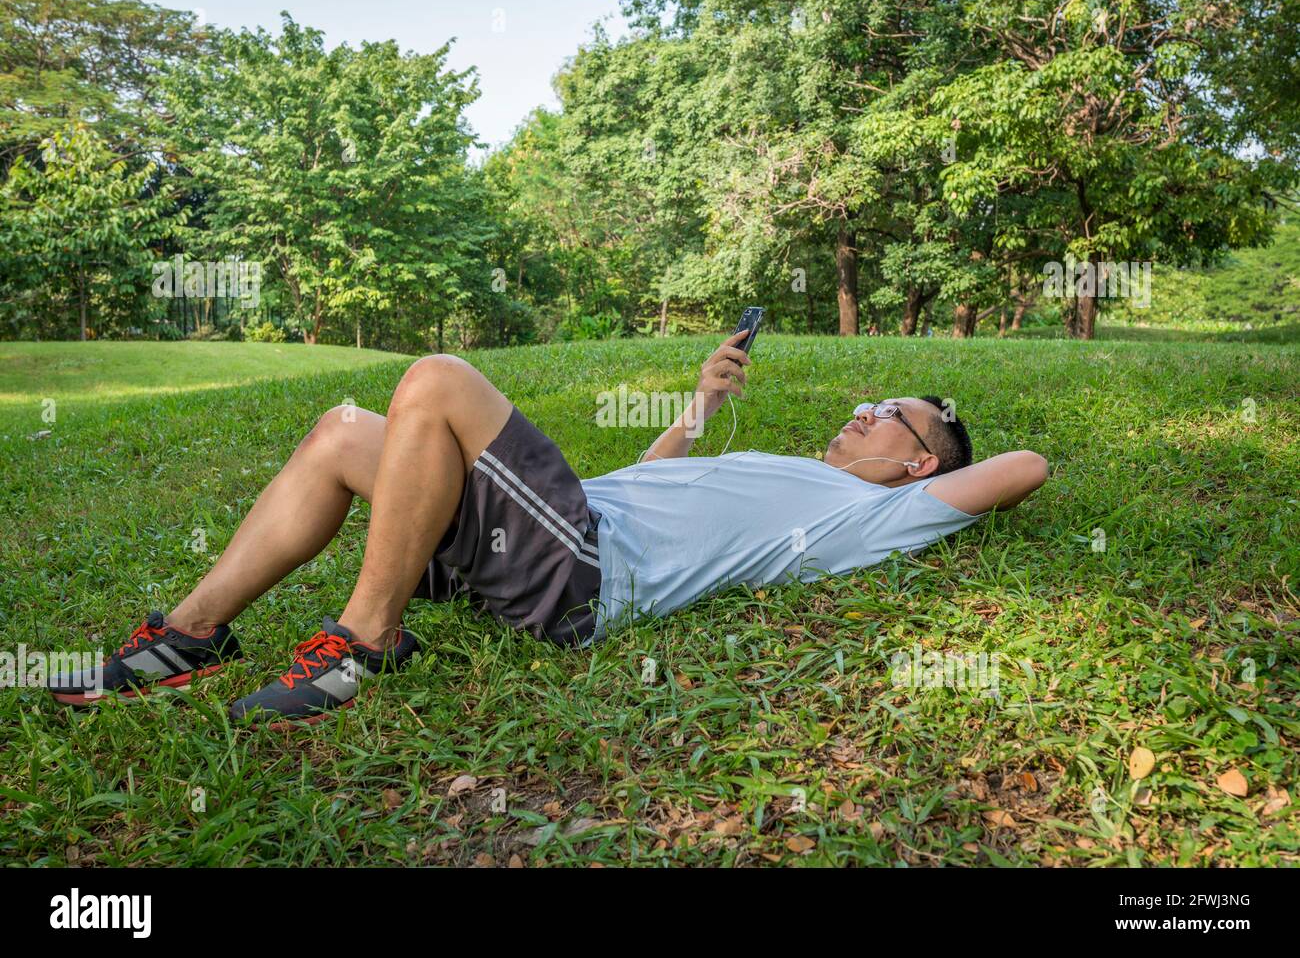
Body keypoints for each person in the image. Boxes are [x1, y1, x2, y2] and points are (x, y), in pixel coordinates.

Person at [49, 331, 1048, 728]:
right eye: (868, 400)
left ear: (922, 463)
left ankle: (365, 639)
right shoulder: (788, 468)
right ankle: (188, 634)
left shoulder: (876, 515)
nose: (865, 411)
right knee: (342, 430)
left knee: (436, 380)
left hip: (581, 574)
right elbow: (651, 482)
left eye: (894, 416)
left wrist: (935, 446)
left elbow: (1023, 468)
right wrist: (698, 406)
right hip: (564, 526)